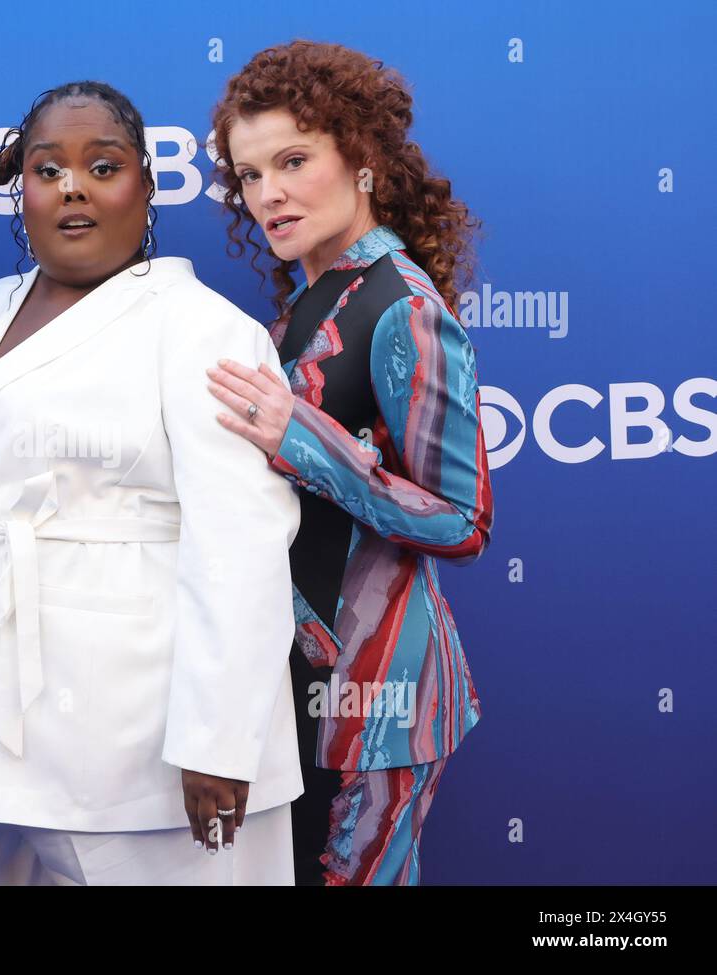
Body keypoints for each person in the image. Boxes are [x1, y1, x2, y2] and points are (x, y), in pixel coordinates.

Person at [0, 81, 304, 885]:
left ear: (146, 188)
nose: (73, 186)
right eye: (48, 170)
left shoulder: (202, 329)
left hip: (144, 749)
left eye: (102, 166)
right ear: (21, 193)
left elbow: (241, 551)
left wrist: (219, 739)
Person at [205, 40, 494, 885]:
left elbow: (463, 518)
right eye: (250, 175)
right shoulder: (310, 299)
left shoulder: (405, 306)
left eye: (293, 161)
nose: (269, 194)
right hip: (299, 686)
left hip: (383, 699)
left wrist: (298, 434)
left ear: (361, 159)